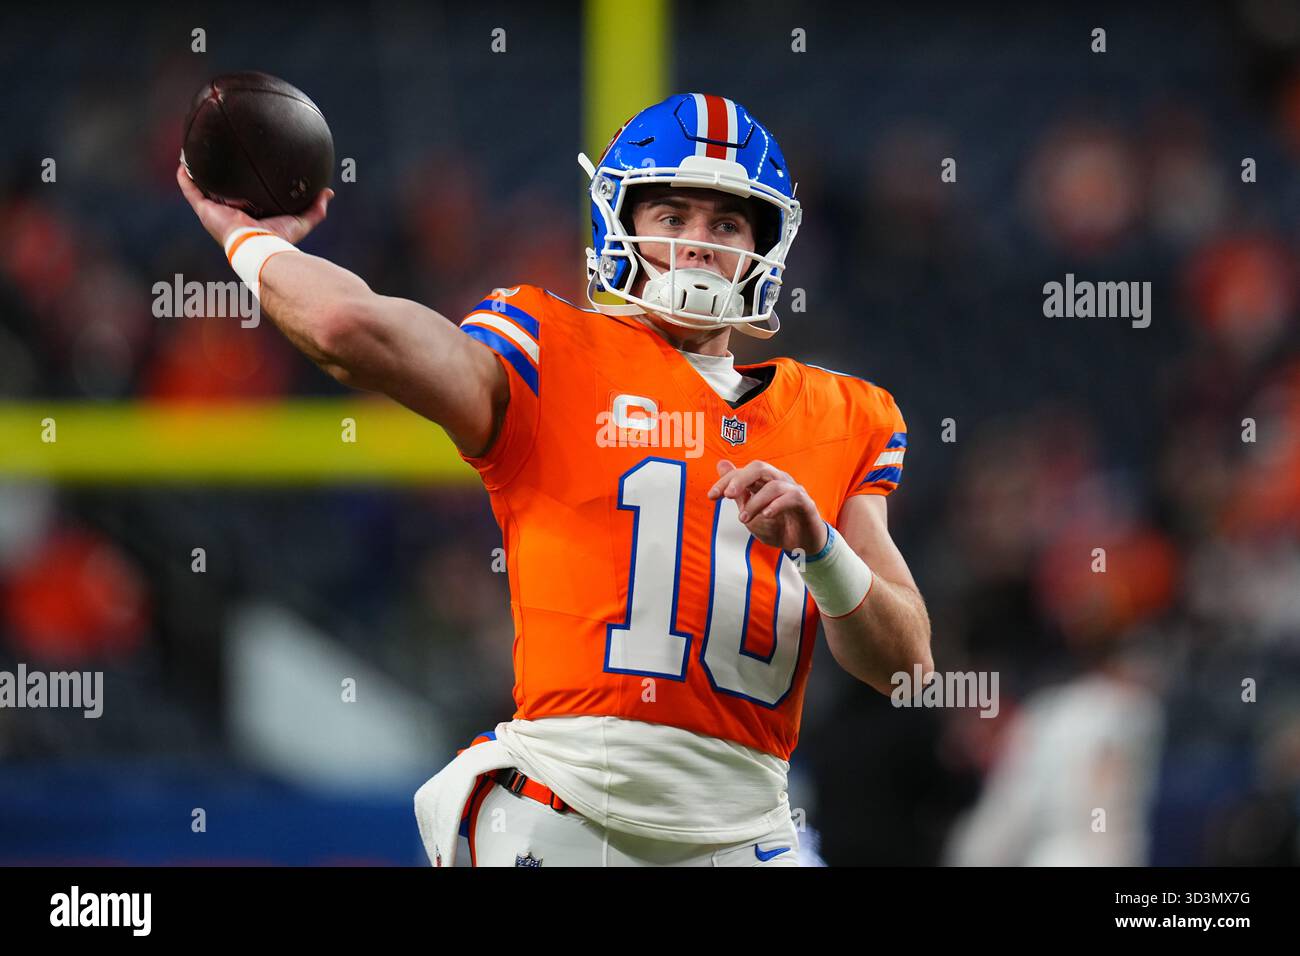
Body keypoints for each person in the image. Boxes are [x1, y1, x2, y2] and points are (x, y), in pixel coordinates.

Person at [178, 92, 932, 867]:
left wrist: (823, 550)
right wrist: (249, 239)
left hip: (746, 833)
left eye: (727, 224)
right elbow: (346, 330)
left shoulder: (844, 414)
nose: (701, 244)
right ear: (623, 225)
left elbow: (907, 668)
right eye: (673, 218)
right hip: (566, 815)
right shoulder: (549, 351)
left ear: (766, 244)